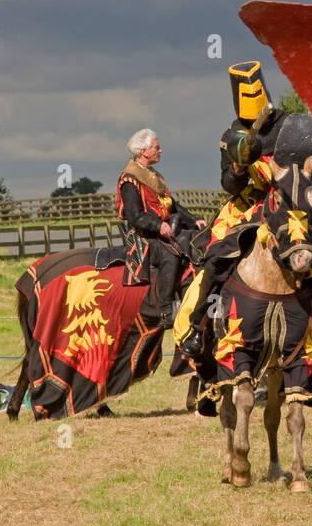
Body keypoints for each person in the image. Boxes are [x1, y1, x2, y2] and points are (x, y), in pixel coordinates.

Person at [175, 62, 287, 358]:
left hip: (284, 201)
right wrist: (238, 166)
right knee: (216, 258)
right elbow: (228, 184)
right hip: (248, 206)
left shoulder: (288, 125)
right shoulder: (233, 132)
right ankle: (198, 327)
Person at [116, 129, 207, 328]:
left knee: (193, 240)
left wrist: (195, 221)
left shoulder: (153, 176)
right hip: (144, 236)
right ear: (143, 151)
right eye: (157, 147)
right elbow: (134, 215)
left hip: (164, 231)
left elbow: (172, 206)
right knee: (172, 253)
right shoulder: (129, 179)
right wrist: (158, 225)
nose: (161, 150)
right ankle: (166, 310)